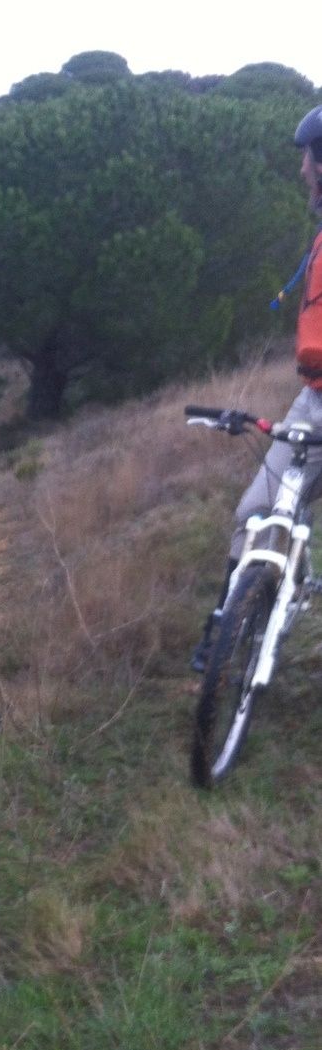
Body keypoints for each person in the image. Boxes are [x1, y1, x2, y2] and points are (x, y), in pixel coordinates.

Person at [191, 105, 322, 671]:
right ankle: (225, 627)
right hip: (314, 398)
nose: (301, 172)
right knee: (258, 511)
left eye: (307, 158)